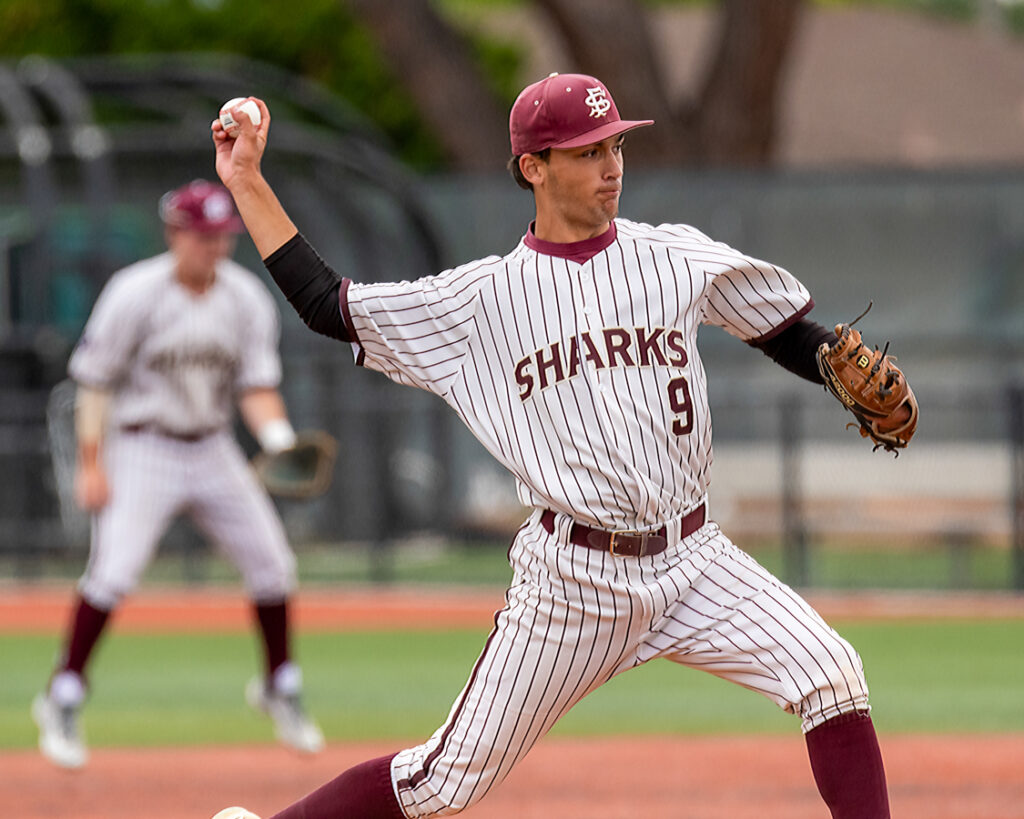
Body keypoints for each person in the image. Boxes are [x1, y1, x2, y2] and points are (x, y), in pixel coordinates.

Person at [210, 74, 893, 819]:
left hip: (696, 557)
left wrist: (832, 364)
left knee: (830, 673)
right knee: (441, 784)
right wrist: (245, 178)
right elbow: (326, 304)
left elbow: (786, 332)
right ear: (534, 167)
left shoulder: (674, 257)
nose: (612, 166)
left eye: (616, 145)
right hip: (575, 581)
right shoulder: (480, 302)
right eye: (587, 151)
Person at [32, 180, 324, 770]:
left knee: (273, 565)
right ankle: (62, 695)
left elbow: (257, 389)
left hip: (210, 445)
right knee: (113, 572)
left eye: (222, 236)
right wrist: (92, 465)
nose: (214, 246)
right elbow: (96, 381)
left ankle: (279, 686)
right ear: (174, 234)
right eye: (203, 235)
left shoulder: (244, 298)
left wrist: (278, 441)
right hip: (142, 446)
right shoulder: (135, 292)